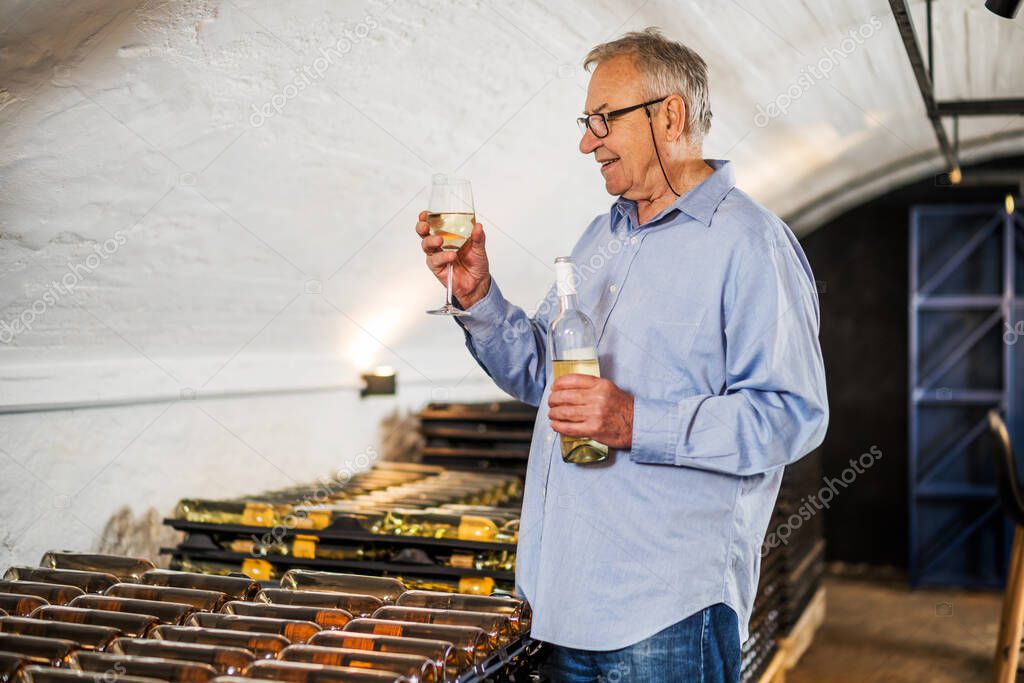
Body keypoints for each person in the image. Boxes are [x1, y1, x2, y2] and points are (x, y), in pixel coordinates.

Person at [415, 27, 828, 683]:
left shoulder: (750, 244)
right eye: (587, 122)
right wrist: (476, 293)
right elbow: (538, 372)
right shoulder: (598, 237)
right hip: (561, 604)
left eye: (604, 119)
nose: (587, 141)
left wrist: (637, 420)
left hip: (666, 617)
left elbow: (790, 415)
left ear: (671, 115)